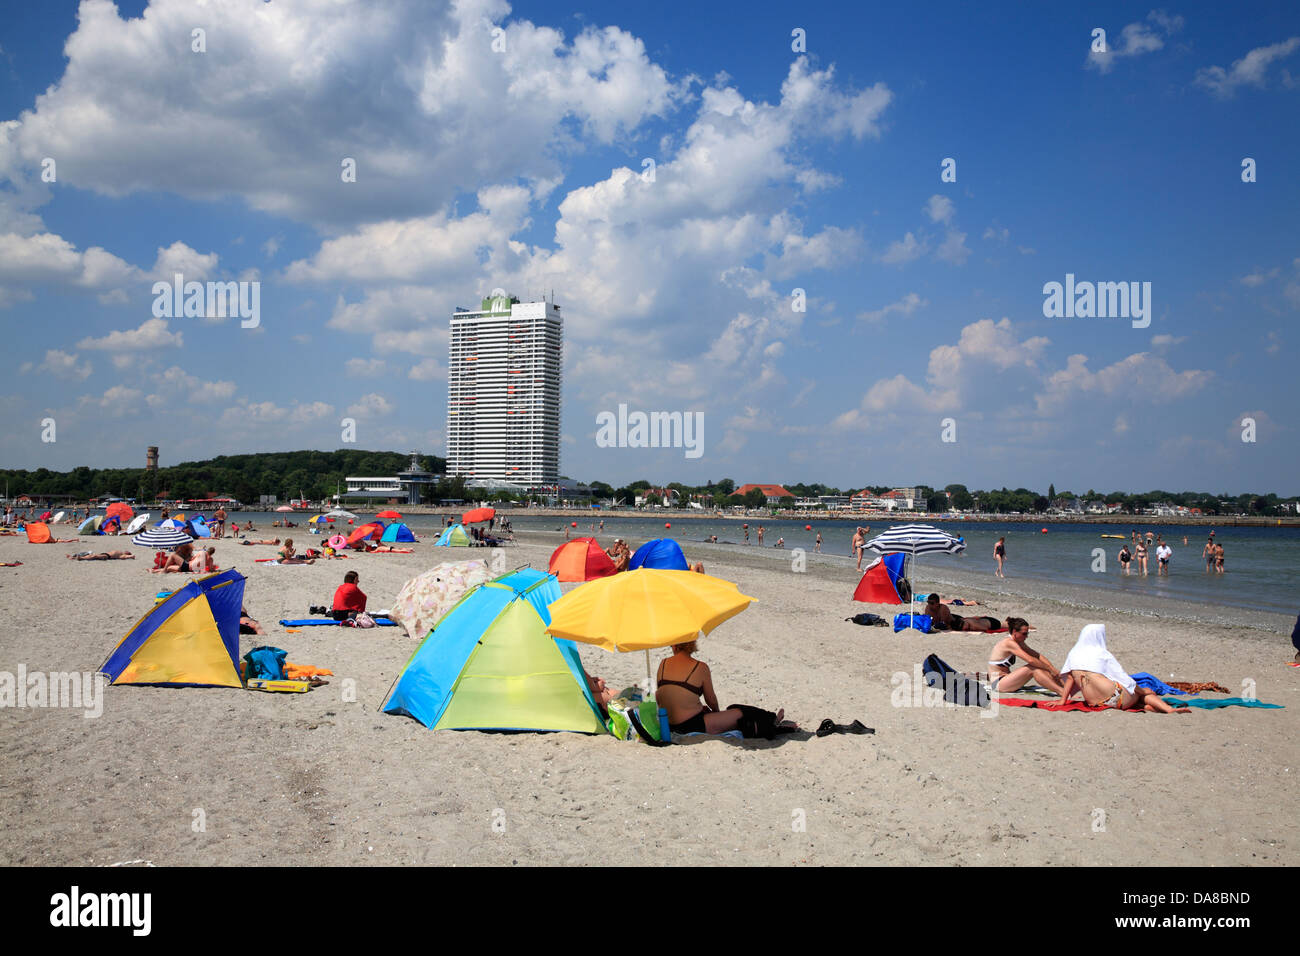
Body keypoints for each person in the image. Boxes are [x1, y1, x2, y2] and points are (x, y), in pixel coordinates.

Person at [1057, 624, 1189, 713]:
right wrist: (1143, 691)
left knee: (1137, 699)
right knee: (1139, 692)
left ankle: (1148, 707)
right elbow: (1124, 679)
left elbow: (1069, 678)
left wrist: (1063, 700)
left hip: (1094, 703)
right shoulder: (1101, 654)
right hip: (1116, 698)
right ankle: (1167, 709)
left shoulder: (1073, 654)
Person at [655, 641, 756, 735]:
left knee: (730, 709)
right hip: (692, 725)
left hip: (667, 725)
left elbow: (664, 696)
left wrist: (693, 707)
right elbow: (711, 700)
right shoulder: (700, 667)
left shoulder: (663, 664)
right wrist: (716, 712)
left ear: (675, 645)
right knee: (740, 712)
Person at [984, 617, 1066, 694]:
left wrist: (1052, 669)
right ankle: (1062, 692)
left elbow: (1037, 655)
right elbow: (1030, 660)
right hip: (998, 683)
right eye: (1024, 634)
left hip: (1006, 679)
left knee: (1041, 666)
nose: (1026, 636)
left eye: (1027, 634)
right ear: (1014, 632)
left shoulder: (1018, 641)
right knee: (1033, 668)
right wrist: (1050, 669)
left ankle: (1063, 687)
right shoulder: (1009, 643)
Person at [924, 595, 1001, 632]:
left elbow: (946, 623)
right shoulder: (928, 608)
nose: (929, 604)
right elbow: (928, 620)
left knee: (970, 620)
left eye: (932, 603)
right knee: (971, 620)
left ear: (937, 603)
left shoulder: (943, 609)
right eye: (928, 602)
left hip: (954, 620)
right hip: (954, 622)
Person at [66, 550, 135, 560]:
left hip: (107, 556)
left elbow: (132, 556)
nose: (127, 550)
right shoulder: (121, 551)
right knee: (92, 555)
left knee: (94, 556)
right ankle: (74, 557)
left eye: (128, 552)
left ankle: (81, 558)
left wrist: (131, 556)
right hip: (105, 553)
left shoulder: (123, 555)